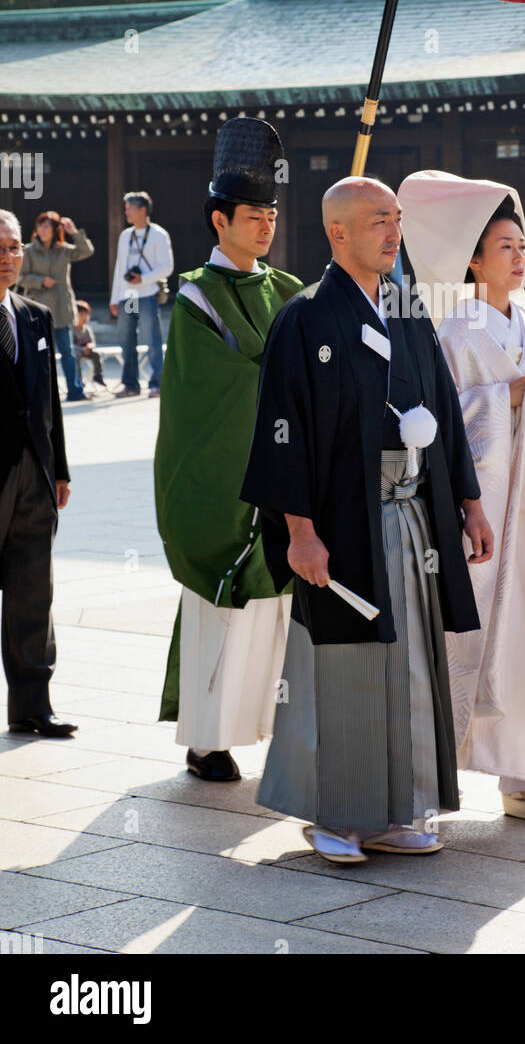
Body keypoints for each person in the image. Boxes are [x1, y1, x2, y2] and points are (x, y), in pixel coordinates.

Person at [240, 176, 492, 865]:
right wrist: (299, 532)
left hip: (412, 516)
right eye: (379, 220)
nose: (393, 232)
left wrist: (468, 503)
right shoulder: (305, 317)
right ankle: (336, 814)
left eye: (398, 219)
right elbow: (281, 429)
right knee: (344, 668)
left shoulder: (407, 309)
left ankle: (397, 809)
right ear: (337, 233)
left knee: (410, 663)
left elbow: (440, 401)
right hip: (343, 519)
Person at [400, 171, 525, 824]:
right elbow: (437, 415)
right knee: (466, 638)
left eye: (522, 245)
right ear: (474, 261)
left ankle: (524, 774)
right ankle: (431, 779)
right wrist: (501, 398)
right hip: (480, 514)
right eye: (504, 246)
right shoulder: (455, 332)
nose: (518, 255)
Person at [154, 118, 303, 782]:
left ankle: (267, 727)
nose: (266, 225)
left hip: (285, 479)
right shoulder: (194, 296)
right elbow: (210, 393)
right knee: (223, 611)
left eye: (271, 214)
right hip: (230, 484)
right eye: (253, 215)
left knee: (275, 619)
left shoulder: (291, 291)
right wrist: (280, 378)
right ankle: (208, 738)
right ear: (221, 221)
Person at [0, 209, 77, 738]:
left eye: (11, 248)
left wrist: (60, 471)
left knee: (33, 592)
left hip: (34, 472)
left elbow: (49, 398)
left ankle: (32, 704)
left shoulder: (34, 316)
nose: (7, 257)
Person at [16, 211, 95, 402]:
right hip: (37, 308)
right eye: (40, 226)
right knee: (39, 352)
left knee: (67, 352)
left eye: (47, 226)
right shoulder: (29, 250)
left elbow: (86, 251)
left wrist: (74, 232)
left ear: (54, 230)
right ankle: (39, 393)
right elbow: (20, 277)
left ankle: (75, 390)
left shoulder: (63, 250)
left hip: (61, 307)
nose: (42, 230)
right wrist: (41, 280)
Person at [109, 192, 173, 399]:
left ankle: (158, 383)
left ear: (142, 210)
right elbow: (120, 268)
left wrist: (143, 279)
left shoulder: (158, 234)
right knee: (127, 339)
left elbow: (167, 267)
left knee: (152, 340)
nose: (126, 212)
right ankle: (130, 384)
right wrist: (114, 298)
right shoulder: (125, 235)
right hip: (128, 296)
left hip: (147, 294)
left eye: (129, 208)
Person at [72, 301, 108, 393]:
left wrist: (89, 346)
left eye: (86, 315)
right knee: (75, 357)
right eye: (81, 315)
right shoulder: (71, 330)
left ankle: (98, 375)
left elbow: (92, 342)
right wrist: (83, 349)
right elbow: (72, 345)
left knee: (97, 354)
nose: (84, 317)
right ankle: (79, 379)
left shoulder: (87, 329)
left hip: (87, 351)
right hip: (77, 352)